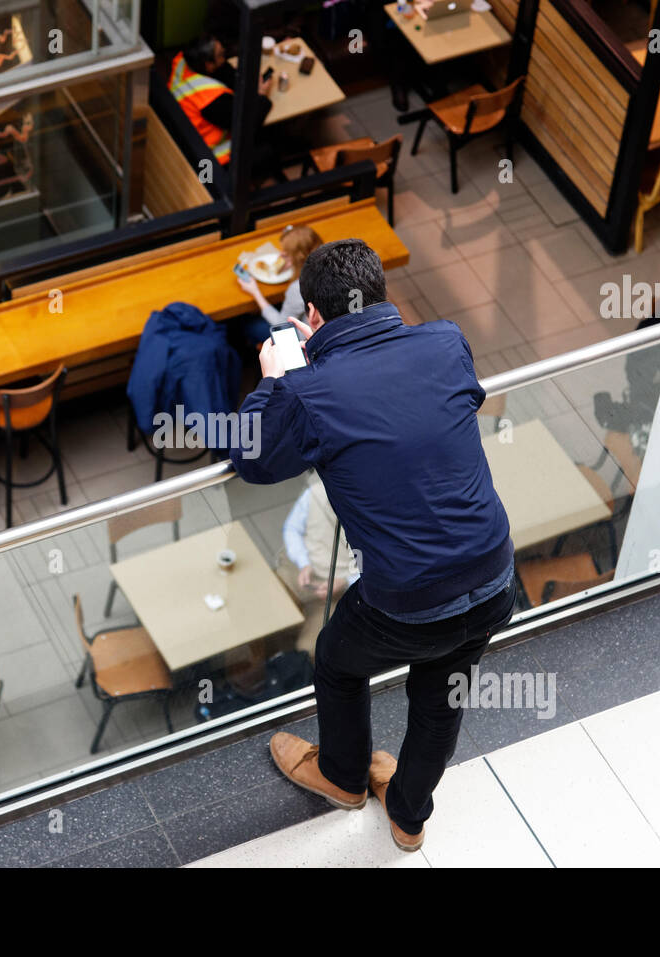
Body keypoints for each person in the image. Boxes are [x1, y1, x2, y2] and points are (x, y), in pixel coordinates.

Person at [228, 239, 516, 852]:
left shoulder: (309, 392)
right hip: (495, 575)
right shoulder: (445, 341)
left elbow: (249, 458)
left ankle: (342, 776)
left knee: (336, 659)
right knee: (443, 693)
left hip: (409, 599)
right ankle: (409, 818)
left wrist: (278, 381)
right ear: (382, 294)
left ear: (311, 318)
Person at [277, 473, 359, 655]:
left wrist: (346, 582)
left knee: (310, 649)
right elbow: (292, 528)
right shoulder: (317, 491)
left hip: (339, 594)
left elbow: (376, 568)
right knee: (270, 618)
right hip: (299, 572)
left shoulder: (373, 513)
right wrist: (303, 562)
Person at [169, 34, 274, 167]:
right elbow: (246, 123)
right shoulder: (211, 102)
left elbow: (223, 70)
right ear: (208, 65)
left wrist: (244, 82)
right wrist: (261, 94)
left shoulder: (183, 60)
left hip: (185, 133)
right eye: (221, 54)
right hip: (210, 161)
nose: (224, 54)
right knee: (268, 149)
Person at [236, 225, 323, 345]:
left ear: (297, 259)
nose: (281, 255)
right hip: (325, 331)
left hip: (302, 339)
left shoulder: (298, 288)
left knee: (248, 324)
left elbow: (283, 326)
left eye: (286, 254)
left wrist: (256, 293)